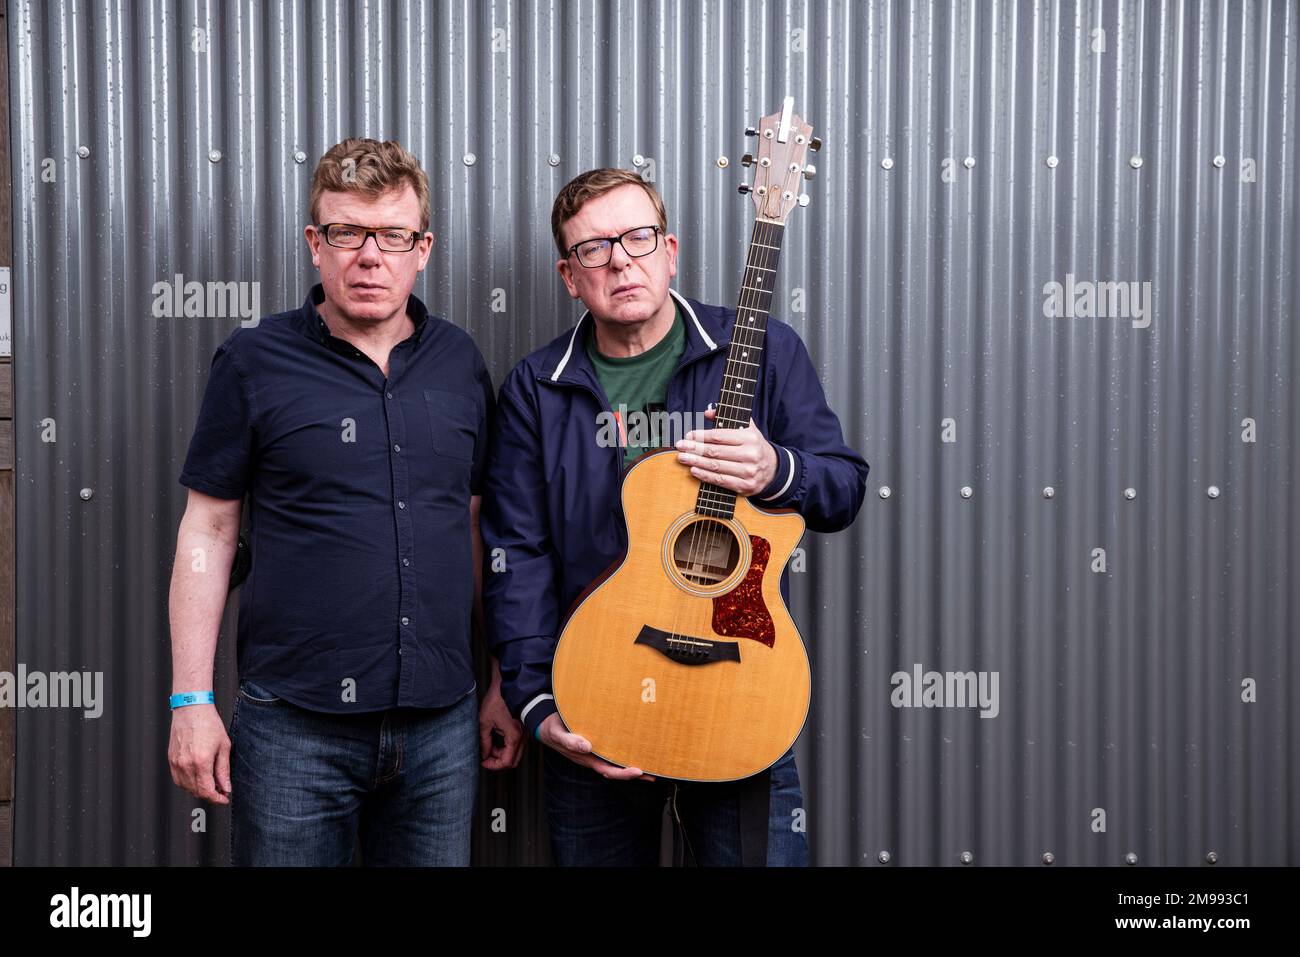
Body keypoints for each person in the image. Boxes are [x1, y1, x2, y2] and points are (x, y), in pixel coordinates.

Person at [481, 167, 868, 865]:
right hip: (595, 698)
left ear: (671, 249)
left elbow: (843, 487)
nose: (621, 259)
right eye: (595, 248)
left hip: (741, 688)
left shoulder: (764, 351)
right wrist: (536, 703)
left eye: (638, 236)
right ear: (570, 276)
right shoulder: (536, 389)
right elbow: (516, 554)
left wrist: (776, 469)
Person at [166, 137, 522, 867]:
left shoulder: (459, 363)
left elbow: (478, 526)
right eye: (346, 233)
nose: (369, 256)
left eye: (392, 235)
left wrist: (502, 681)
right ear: (314, 244)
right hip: (294, 731)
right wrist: (190, 700)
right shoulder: (253, 361)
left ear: (422, 247)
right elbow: (208, 527)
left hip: (441, 728)